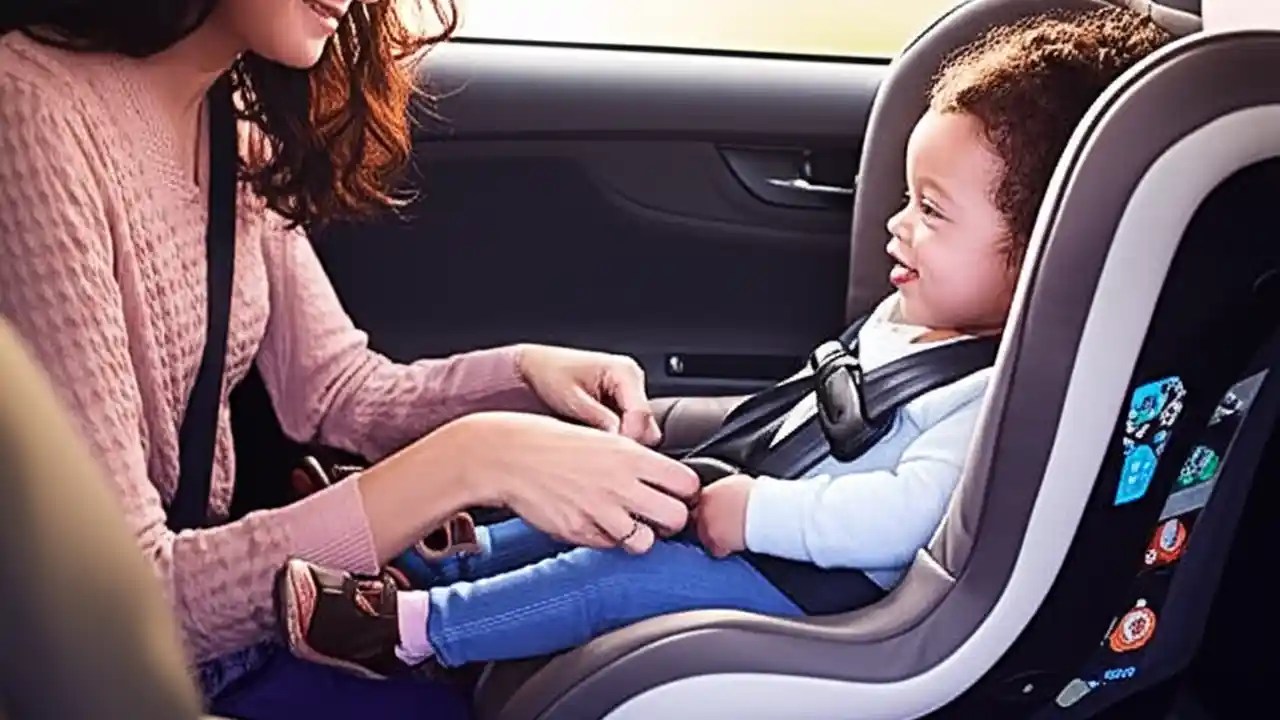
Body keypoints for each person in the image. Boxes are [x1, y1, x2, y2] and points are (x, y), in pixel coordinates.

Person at [273, 5, 1173, 676]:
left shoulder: (985, 396)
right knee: (617, 504)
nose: (897, 228)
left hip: (818, 588)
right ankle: (428, 545)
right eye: (906, 199)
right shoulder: (920, 320)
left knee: (615, 576)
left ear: (1042, 253)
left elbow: (899, 520)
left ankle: (417, 631)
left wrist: (755, 513)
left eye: (931, 213)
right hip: (768, 520)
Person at [0, 1, 701, 716]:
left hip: (220, 639)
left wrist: (526, 377)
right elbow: (134, 599)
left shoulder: (228, 117)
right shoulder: (31, 117)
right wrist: (478, 458)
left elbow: (338, 390)